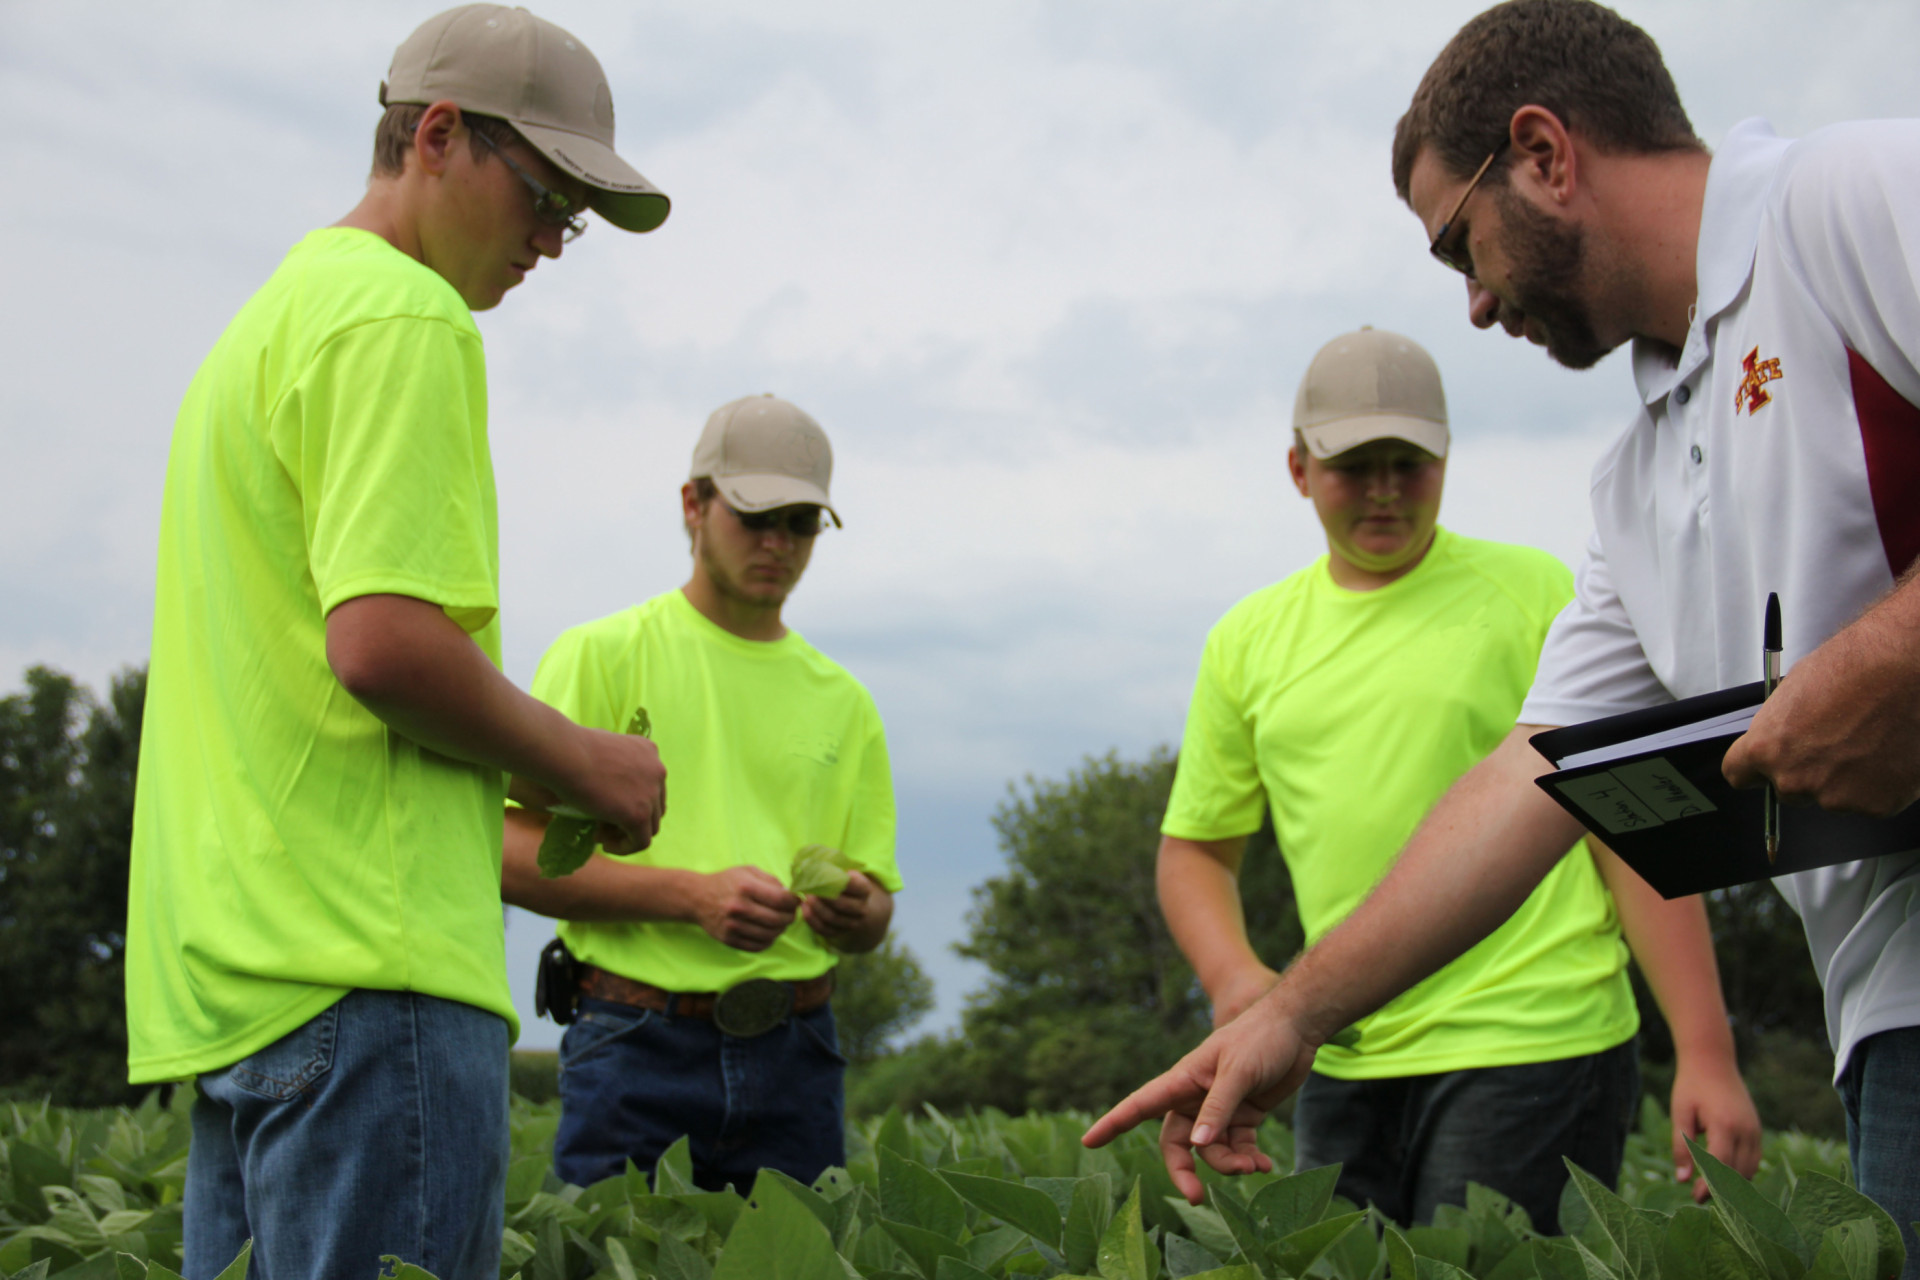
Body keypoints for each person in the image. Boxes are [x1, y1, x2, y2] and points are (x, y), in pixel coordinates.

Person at [1085, 0, 1920, 1263]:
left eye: (1458, 246)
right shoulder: (1632, 487)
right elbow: (1534, 778)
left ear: (1544, 153)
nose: (1473, 304)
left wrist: (1892, 656)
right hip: (1885, 1007)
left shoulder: (1851, 202)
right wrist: (1293, 1013)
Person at [124, 7, 672, 1277]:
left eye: (572, 218)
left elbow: (314, 668)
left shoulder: (269, 323)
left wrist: (511, 757)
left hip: (236, 986)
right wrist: (586, 764)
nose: (549, 240)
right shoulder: (405, 317)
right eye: (543, 195)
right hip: (371, 987)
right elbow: (383, 645)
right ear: (436, 136)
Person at [1158, 325, 1757, 1229]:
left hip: (1536, 1039)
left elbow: (1629, 827)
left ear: (1446, 458)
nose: (1386, 491)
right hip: (1341, 1047)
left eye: (1411, 463)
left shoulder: (1535, 592)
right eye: (1356, 467)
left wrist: (1705, 1047)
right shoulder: (1246, 640)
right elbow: (1195, 850)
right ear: (1298, 469)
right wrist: (1233, 973)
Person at [503, 394, 901, 1192]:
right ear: (694, 504)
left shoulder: (846, 700)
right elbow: (510, 856)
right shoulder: (601, 655)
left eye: (800, 523)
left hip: (801, 1047)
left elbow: (879, 908)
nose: (777, 542)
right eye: (755, 516)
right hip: (632, 1042)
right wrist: (690, 897)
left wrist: (859, 913)